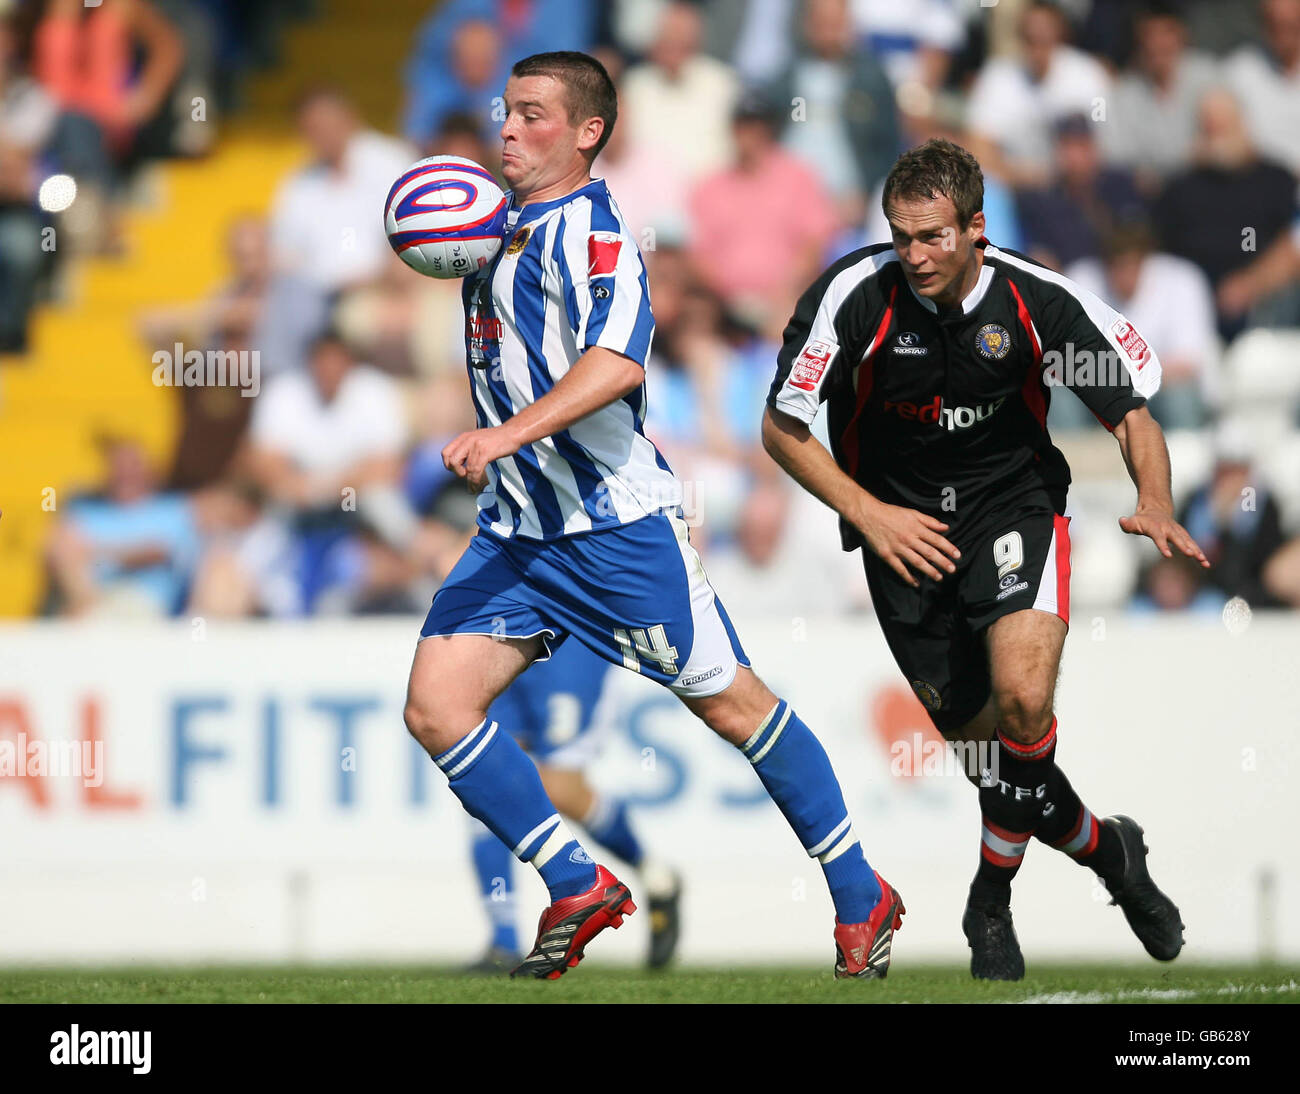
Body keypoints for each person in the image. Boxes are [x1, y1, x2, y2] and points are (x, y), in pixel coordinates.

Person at [403, 51, 903, 982]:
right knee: (436, 705)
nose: (508, 130)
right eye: (506, 113)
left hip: (614, 531)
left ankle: (857, 892)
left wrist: (505, 434)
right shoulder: (494, 224)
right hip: (520, 530)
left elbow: (617, 364)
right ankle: (577, 880)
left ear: (590, 131)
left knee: (735, 707)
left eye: (535, 116)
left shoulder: (597, 231)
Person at [762, 138, 1206, 980]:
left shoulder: (1036, 301)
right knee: (992, 761)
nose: (915, 255)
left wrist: (1154, 500)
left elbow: (1130, 413)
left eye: (933, 237)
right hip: (901, 537)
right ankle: (1111, 854)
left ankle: (989, 900)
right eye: (901, 236)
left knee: (1023, 702)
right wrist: (870, 514)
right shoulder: (853, 299)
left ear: (976, 228)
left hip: (1014, 509)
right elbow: (781, 428)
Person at [464, 640, 682, 972]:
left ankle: (654, 874)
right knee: (490, 781)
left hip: (567, 641)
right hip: (499, 634)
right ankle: (503, 943)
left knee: (560, 786)